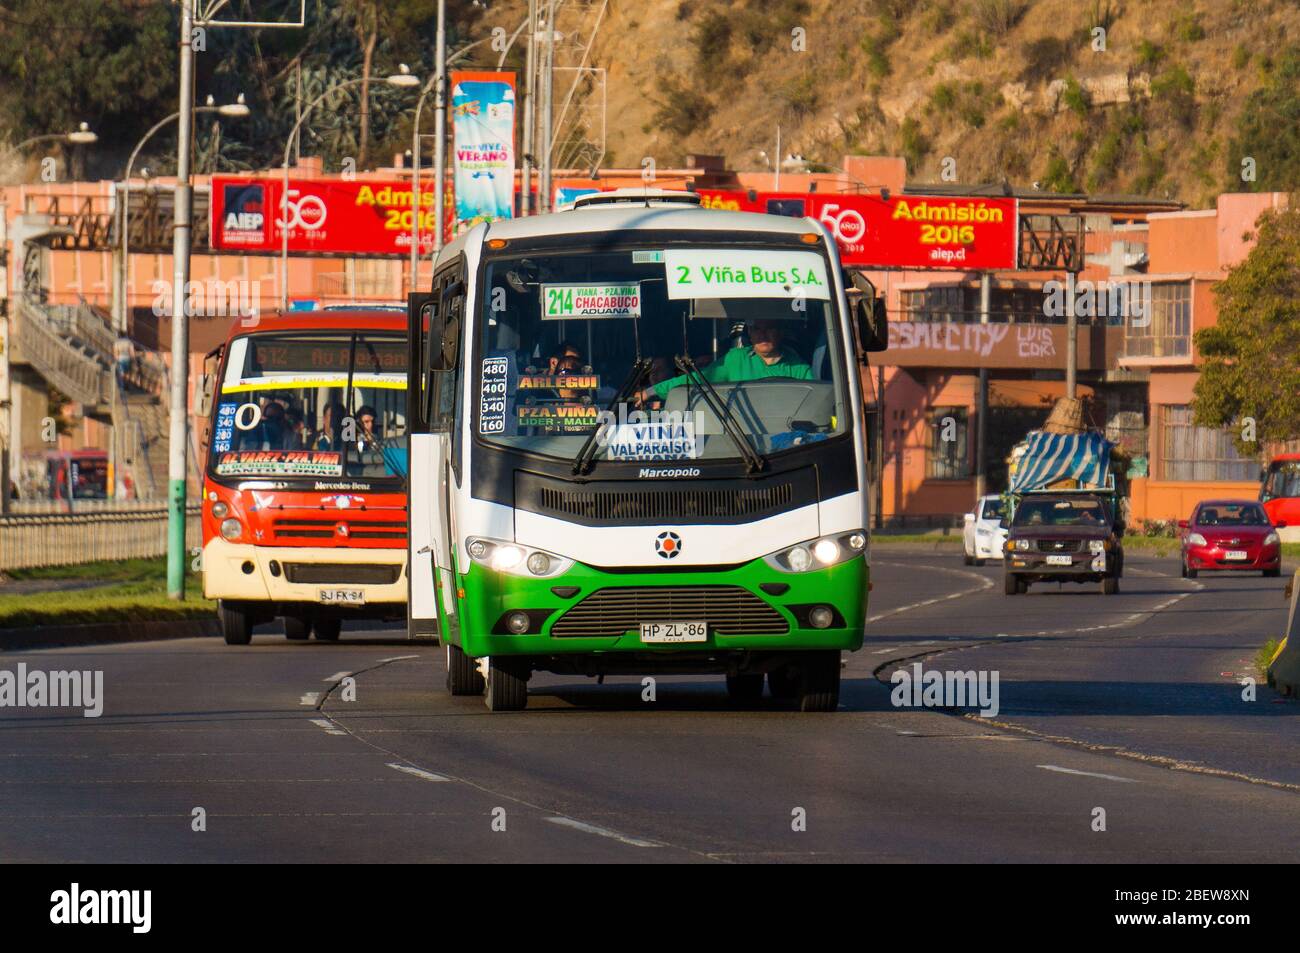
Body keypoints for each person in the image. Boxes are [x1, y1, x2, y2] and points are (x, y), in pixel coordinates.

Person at [637, 318, 811, 405]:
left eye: (770, 328)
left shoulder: (799, 368)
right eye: (757, 329)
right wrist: (651, 391)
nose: (763, 335)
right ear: (749, 333)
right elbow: (696, 380)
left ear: (780, 332)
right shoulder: (736, 359)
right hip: (743, 437)